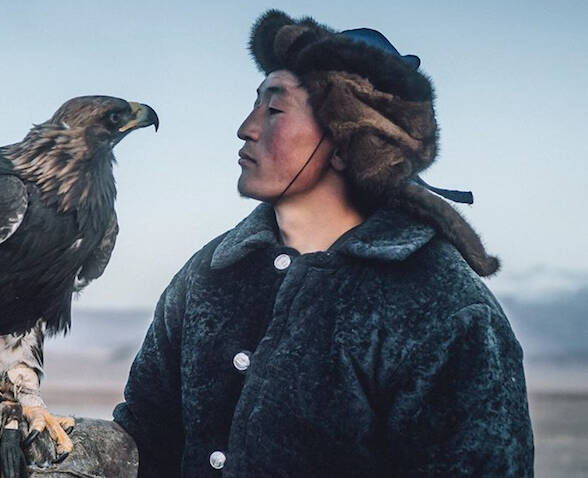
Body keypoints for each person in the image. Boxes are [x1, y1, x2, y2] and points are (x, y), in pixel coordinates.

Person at [112, 10, 534, 477]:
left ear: (345, 140)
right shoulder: (208, 275)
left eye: (273, 110)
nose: (246, 127)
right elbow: (146, 441)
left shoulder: (443, 308)